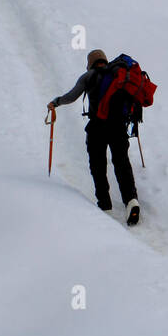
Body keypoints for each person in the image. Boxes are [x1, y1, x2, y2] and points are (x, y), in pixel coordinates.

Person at [47, 49, 141, 225]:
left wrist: (56, 102)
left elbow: (71, 96)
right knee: (122, 163)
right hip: (119, 127)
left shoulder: (88, 76)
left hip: (97, 127)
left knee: (98, 165)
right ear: (105, 60)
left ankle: (105, 205)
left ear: (90, 63)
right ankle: (131, 200)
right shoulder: (119, 75)